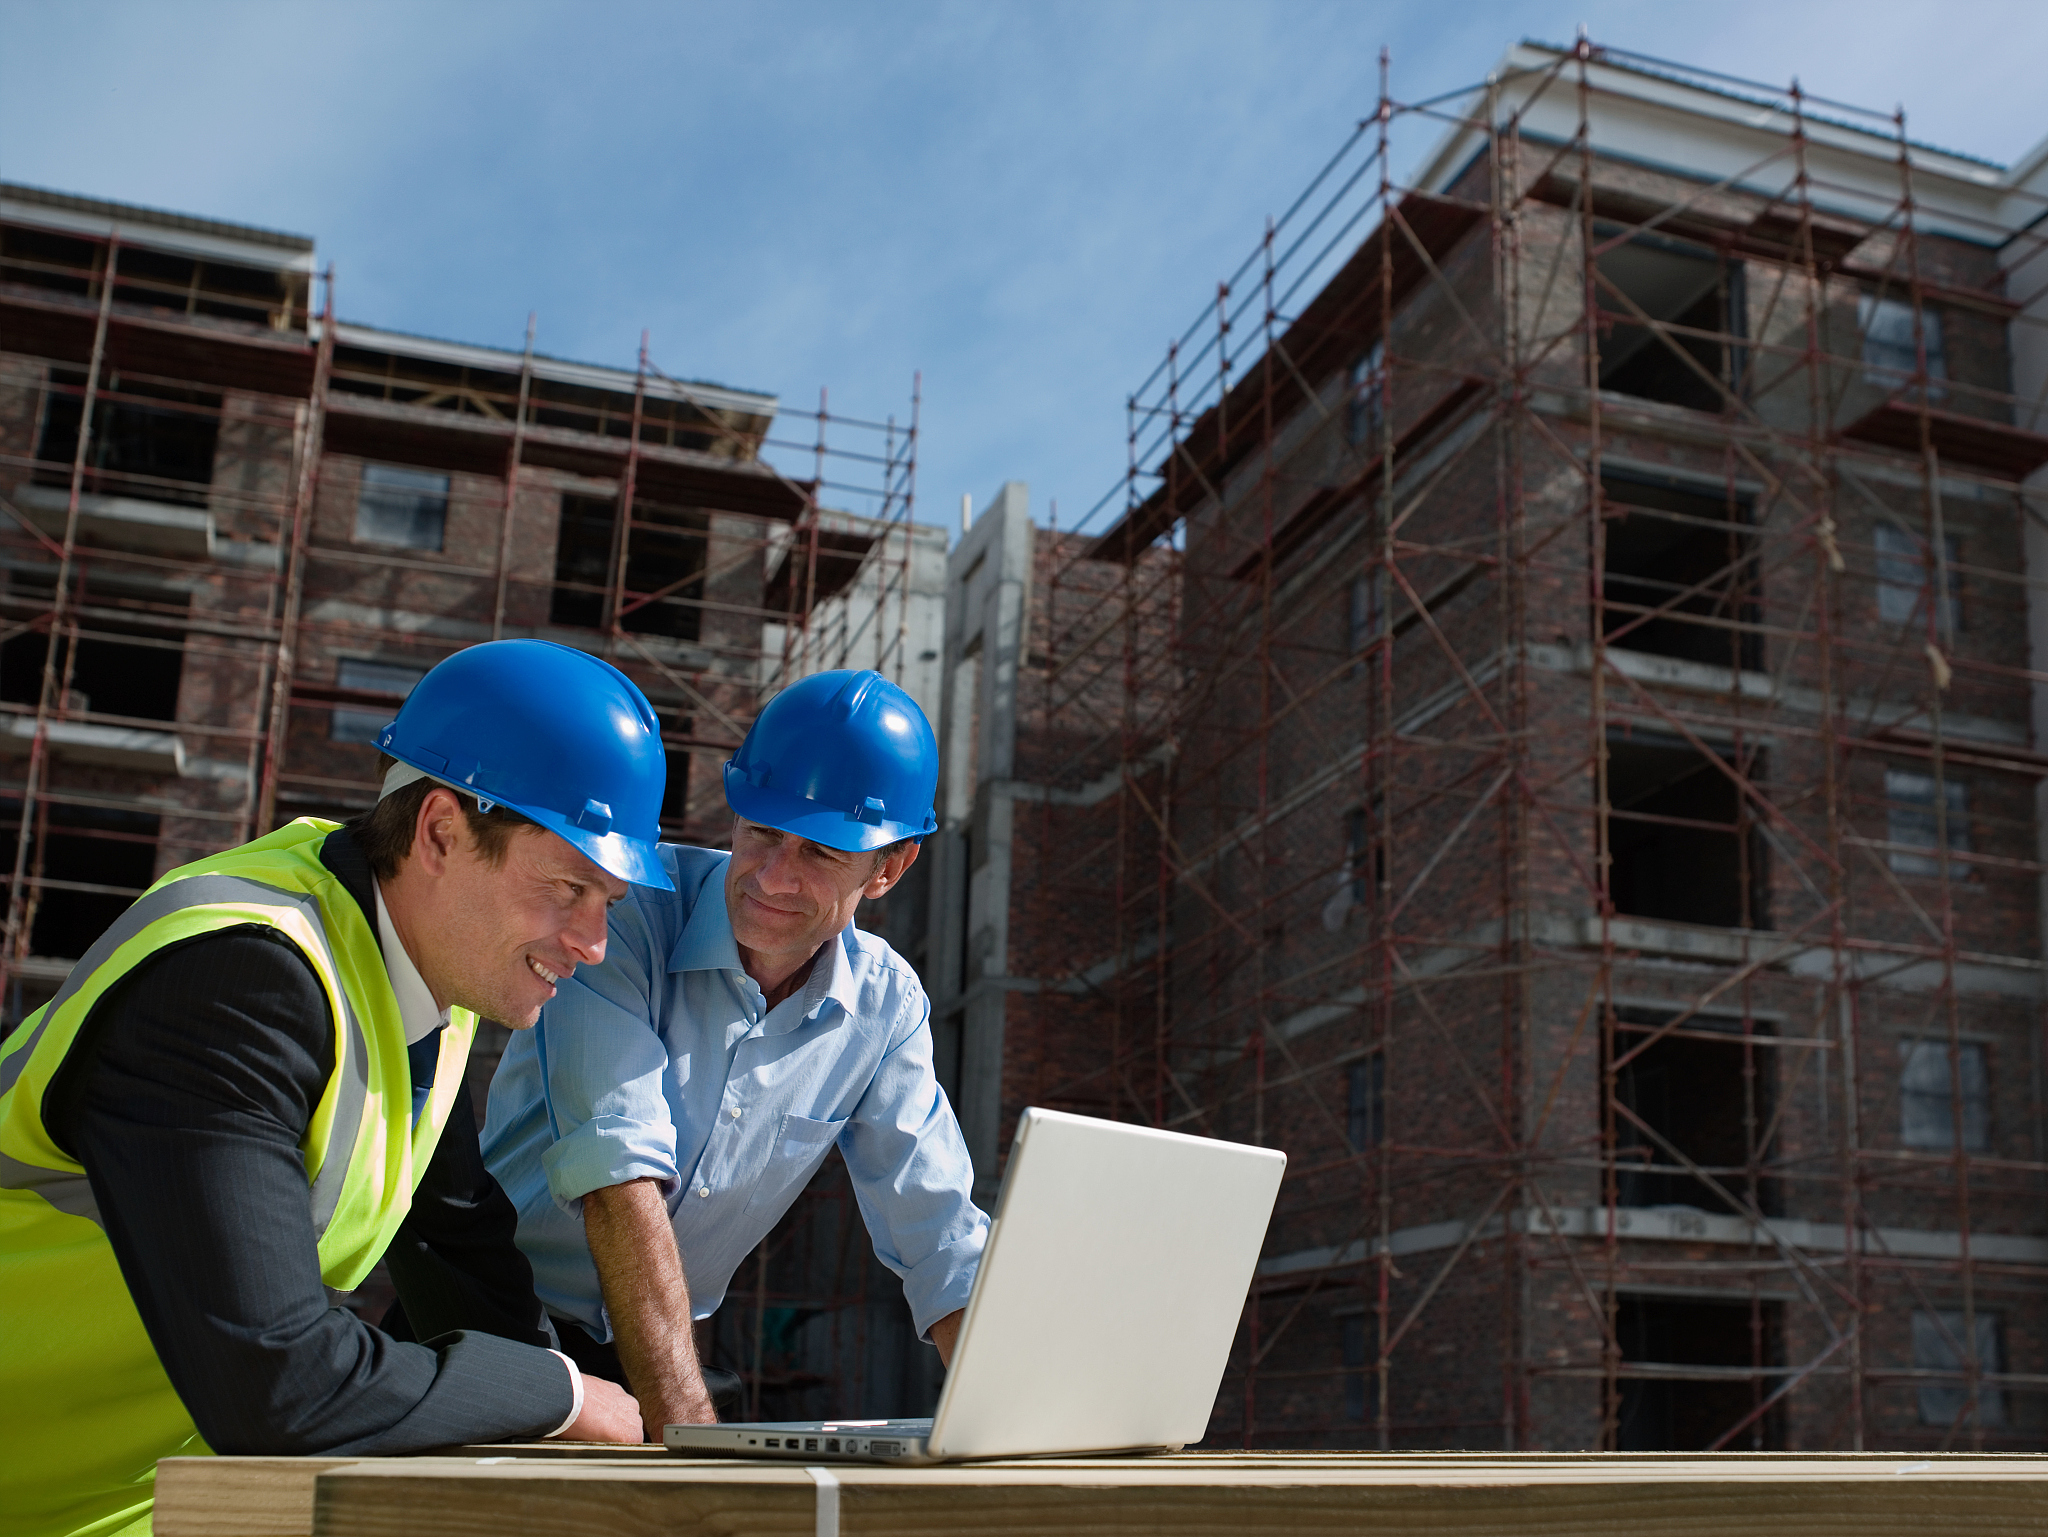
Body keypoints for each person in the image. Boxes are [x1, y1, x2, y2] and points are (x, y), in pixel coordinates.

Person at [0, 639, 671, 1537]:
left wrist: (602, 1424)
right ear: (439, 831)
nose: (592, 943)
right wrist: (553, 1394)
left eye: (611, 903)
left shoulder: (433, 981)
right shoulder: (236, 979)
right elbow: (275, 1381)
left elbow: (461, 1251)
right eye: (567, 887)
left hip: (120, 1508)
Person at [481, 668, 987, 1436]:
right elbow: (617, 1171)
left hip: (660, 1347)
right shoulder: (620, 917)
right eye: (761, 831)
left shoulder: (886, 1006)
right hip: (490, 1314)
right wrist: (685, 1435)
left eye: (819, 851)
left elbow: (940, 1231)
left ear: (888, 867)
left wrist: (1023, 1416)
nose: (773, 877)